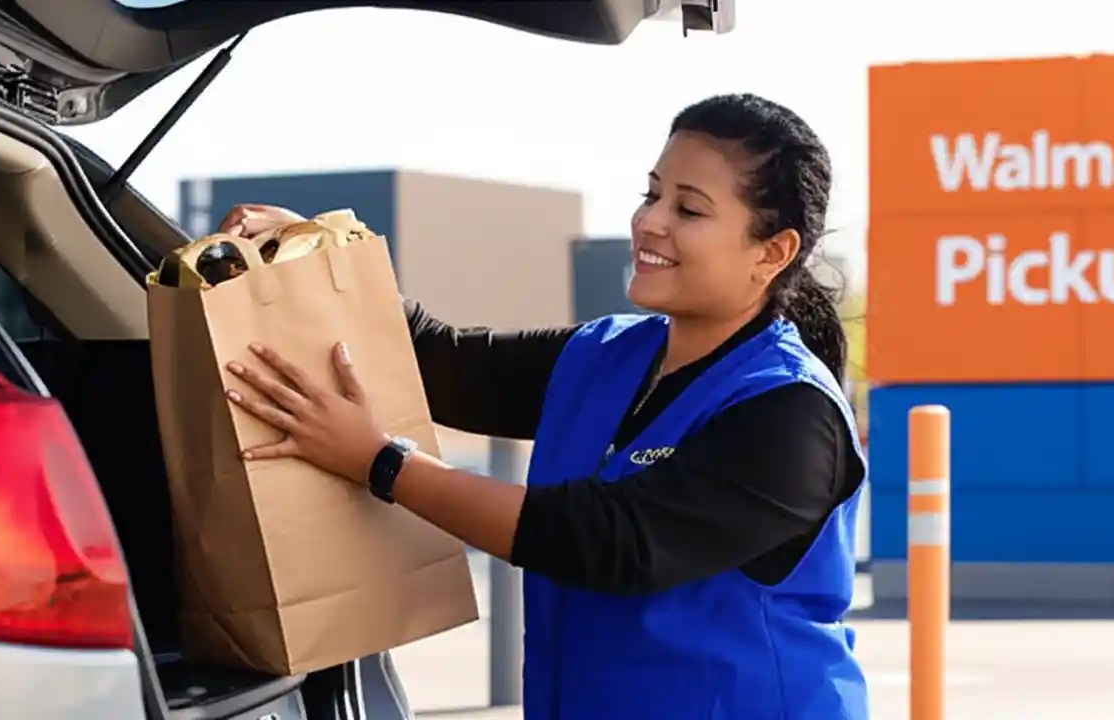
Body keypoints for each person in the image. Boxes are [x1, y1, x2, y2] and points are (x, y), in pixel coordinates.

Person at [216, 92, 868, 720]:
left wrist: (382, 464)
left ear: (772, 252)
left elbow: (610, 542)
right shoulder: (603, 355)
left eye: (688, 210)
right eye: (652, 193)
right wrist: (316, 251)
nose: (649, 221)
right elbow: (438, 363)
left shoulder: (789, 413)